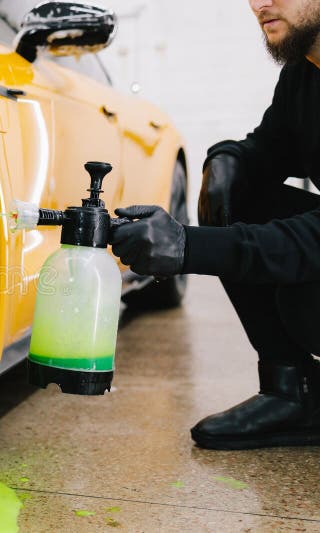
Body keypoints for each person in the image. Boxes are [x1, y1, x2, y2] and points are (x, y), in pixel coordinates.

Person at [110, 0, 320, 450]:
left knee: (303, 292)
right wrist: (225, 160)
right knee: (235, 194)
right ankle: (293, 393)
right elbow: (266, 148)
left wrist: (187, 247)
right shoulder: (304, 74)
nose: (259, 4)